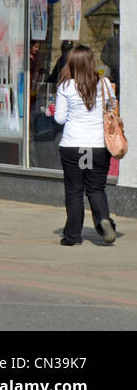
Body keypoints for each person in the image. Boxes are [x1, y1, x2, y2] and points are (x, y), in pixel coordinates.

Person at [54, 45, 118, 245]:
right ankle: (103, 219)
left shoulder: (65, 87)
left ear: (71, 63)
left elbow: (60, 118)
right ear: (91, 62)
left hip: (72, 145)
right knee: (96, 189)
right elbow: (111, 110)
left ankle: (73, 236)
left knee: (74, 191)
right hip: (98, 146)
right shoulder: (105, 84)